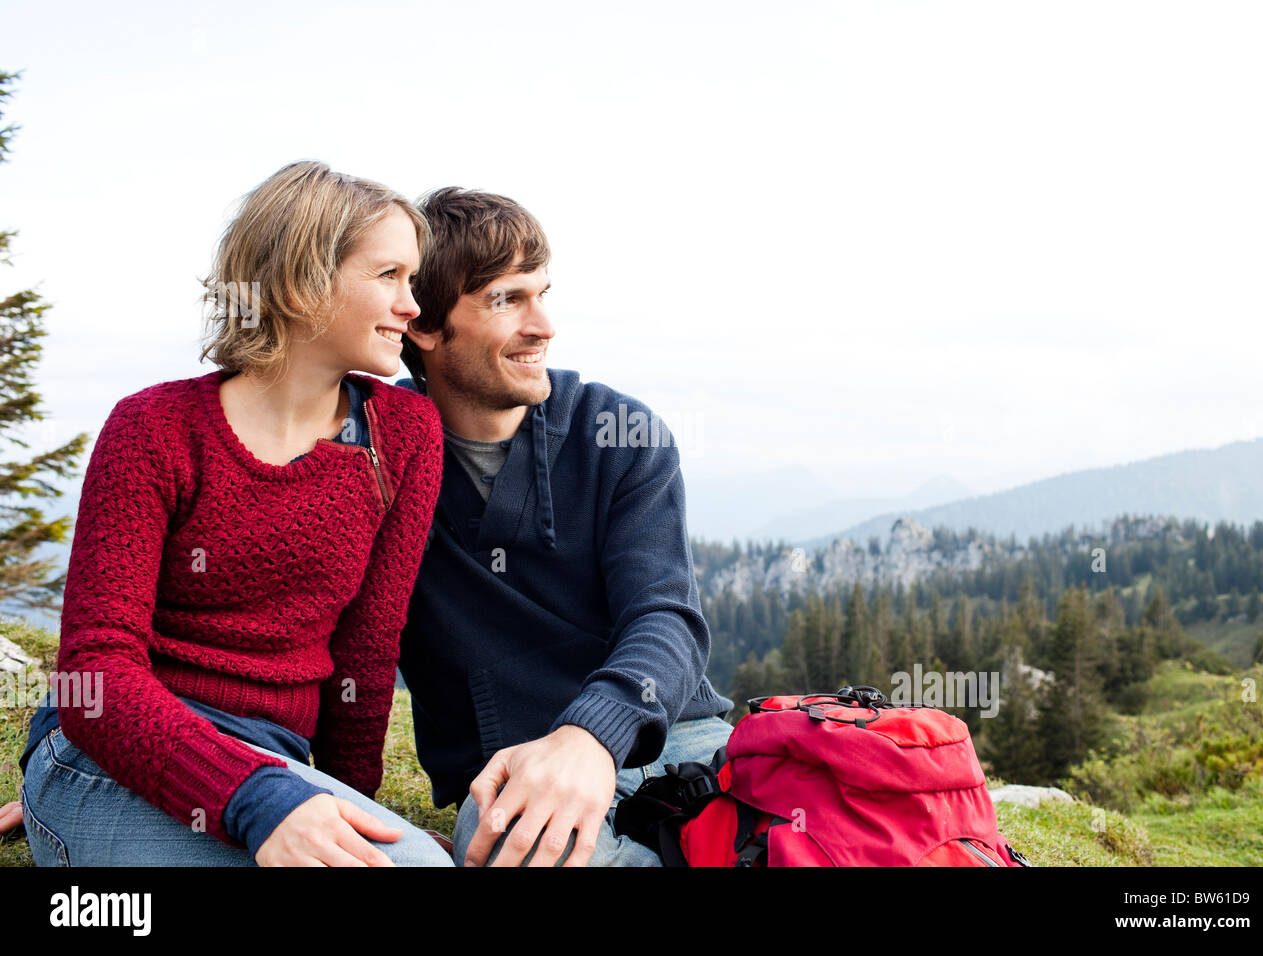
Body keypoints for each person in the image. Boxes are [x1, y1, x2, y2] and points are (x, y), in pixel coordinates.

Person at [16, 160, 452, 866]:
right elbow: (94, 672)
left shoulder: (404, 434)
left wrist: (352, 816)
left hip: (270, 760)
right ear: (301, 281)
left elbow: (364, 659)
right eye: (389, 276)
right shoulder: (153, 427)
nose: (412, 305)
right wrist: (258, 801)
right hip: (107, 754)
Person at [396, 187, 734, 867]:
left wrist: (591, 736)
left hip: (672, 741)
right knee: (518, 851)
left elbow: (666, 616)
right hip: (512, 778)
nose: (543, 325)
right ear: (424, 327)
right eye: (506, 300)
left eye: (543, 293)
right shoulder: (378, 452)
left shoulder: (621, 434)